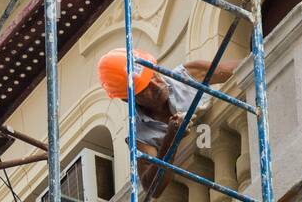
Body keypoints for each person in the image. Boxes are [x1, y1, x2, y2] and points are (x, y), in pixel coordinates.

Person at [96, 47, 239, 192]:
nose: (156, 85)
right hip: (215, 182)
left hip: (236, 141)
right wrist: (171, 139)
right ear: (128, 100)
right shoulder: (141, 137)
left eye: (153, 75)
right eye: (144, 88)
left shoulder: (188, 76)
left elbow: (245, 66)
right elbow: (152, 188)